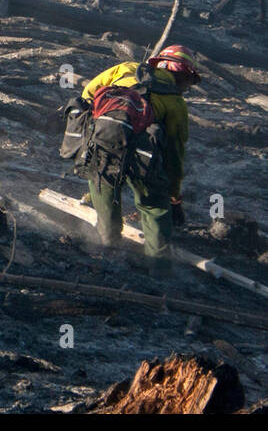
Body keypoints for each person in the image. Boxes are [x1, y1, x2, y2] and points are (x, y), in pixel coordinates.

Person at [76, 44, 198, 275]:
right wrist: (173, 197)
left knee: (103, 190)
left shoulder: (126, 68)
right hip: (143, 158)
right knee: (154, 206)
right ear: (183, 75)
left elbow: (88, 93)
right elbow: (174, 154)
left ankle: (108, 250)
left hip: (103, 145)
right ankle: (159, 266)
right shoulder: (175, 103)